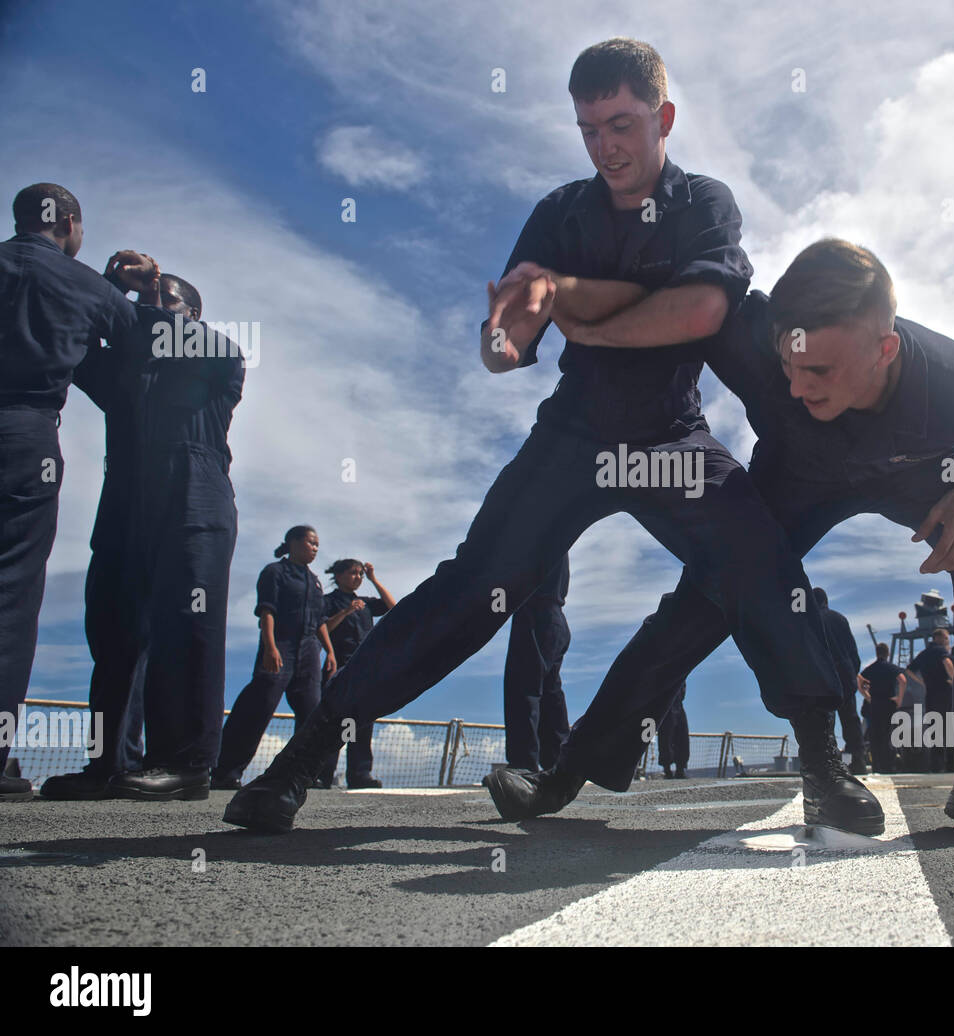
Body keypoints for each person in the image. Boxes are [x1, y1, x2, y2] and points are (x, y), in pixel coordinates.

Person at [224, 39, 879, 839]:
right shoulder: (558, 212)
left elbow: (702, 312)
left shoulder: (706, 203)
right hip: (575, 433)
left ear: (663, 117)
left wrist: (585, 312)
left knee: (761, 562)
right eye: (589, 129)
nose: (606, 146)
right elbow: (506, 344)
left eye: (623, 125)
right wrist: (503, 335)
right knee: (471, 588)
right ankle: (305, 758)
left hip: (671, 436)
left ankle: (822, 765)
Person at [494, 239, 954, 839]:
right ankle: (568, 771)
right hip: (798, 474)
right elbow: (666, 298)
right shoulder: (756, 332)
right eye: (789, 365)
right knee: (708, 596)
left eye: (819, 370)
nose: (796, 387)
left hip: (918, 468)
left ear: (884, 350)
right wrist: (554, 292)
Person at [42, 262, 244, 801]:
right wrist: (108, 290)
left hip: (193, 489)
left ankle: (185, 763)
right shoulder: (126, 372)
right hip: (126, 497)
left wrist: (140, 295)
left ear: (193, 313)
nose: (147, 302)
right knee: (112, 629)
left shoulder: (215, 353)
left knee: (186, 623)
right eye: (145, 296)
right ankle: (110, 762)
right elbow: (80, 336)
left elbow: (156, 330)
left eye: (164, 297)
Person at [1, 185, 147, 801]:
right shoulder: (86, 285)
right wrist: (131, 286)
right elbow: (141, 343)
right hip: (24, 436)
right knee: (10, 595)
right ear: (68, 223)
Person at [212, 527, 335, 789]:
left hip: (309, 651)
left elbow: (320, 621)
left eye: (317, 545)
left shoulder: (315, 581)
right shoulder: (274, 572)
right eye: (311, 542)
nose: (315, 548)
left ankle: (303, 774)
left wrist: (330, 651)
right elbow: (267, 611)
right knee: (260, 704)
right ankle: (225, 772)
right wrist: (270, 647)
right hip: (281, 645)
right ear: (293, 542)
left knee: (312, 712)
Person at [317, 559, 396, 789]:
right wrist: (346, 611)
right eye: (353, 573)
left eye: (360, 574)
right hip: (339, 664)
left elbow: (393, 607)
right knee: (333, 719)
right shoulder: (328, 601)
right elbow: (323, 628)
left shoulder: (366, 602)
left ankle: (360, 774)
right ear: (339, 575)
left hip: (365, 667)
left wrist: (373, 579)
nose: (358, 578)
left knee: (362, 721)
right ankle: (322, 774)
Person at [501, 554, 571, 773]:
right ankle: (559, 763)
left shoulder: (537, 527)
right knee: (550, 693)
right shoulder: (560, 530)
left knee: (523, 687)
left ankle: (523, 763)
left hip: (536, 612)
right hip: (554, 615)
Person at [813, 586, 867, 773]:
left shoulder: (810, 620)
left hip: (822, 674)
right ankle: (856, 763)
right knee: (851, 722)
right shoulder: (840, 618)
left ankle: (831, 764)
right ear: (826, 601)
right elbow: (853, 651)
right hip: (845, 674)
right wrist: (852, 673)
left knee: (826, 724)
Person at [907, 628, 954, 772]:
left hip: (930, 694)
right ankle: (952, 764)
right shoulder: (940, 651)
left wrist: (922, 682)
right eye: (946, 639)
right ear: (940, 639)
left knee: (934, 729)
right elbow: (947, 662)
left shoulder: (923, 654)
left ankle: (936, 765)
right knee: (950, 727)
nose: (947, 641)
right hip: (945, 692)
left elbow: (909, 670)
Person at [860, 643, 906, 774]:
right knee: (889, 735)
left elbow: (859, 681)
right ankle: (889, 766)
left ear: (876, 653)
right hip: (888, 704)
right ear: (888, 653)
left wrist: (867, 696)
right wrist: (899, 698)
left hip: (874, 704)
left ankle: (877, 766)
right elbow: (903, 680)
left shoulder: (870, 669)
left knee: (875, 736)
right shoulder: (891, 668)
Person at [657, 682, 689, 778]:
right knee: (665, 738)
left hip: (678, 705)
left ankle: (680, 769)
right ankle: (667, 770)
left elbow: (683, 693)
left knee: (682, 737)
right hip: (666, 706)